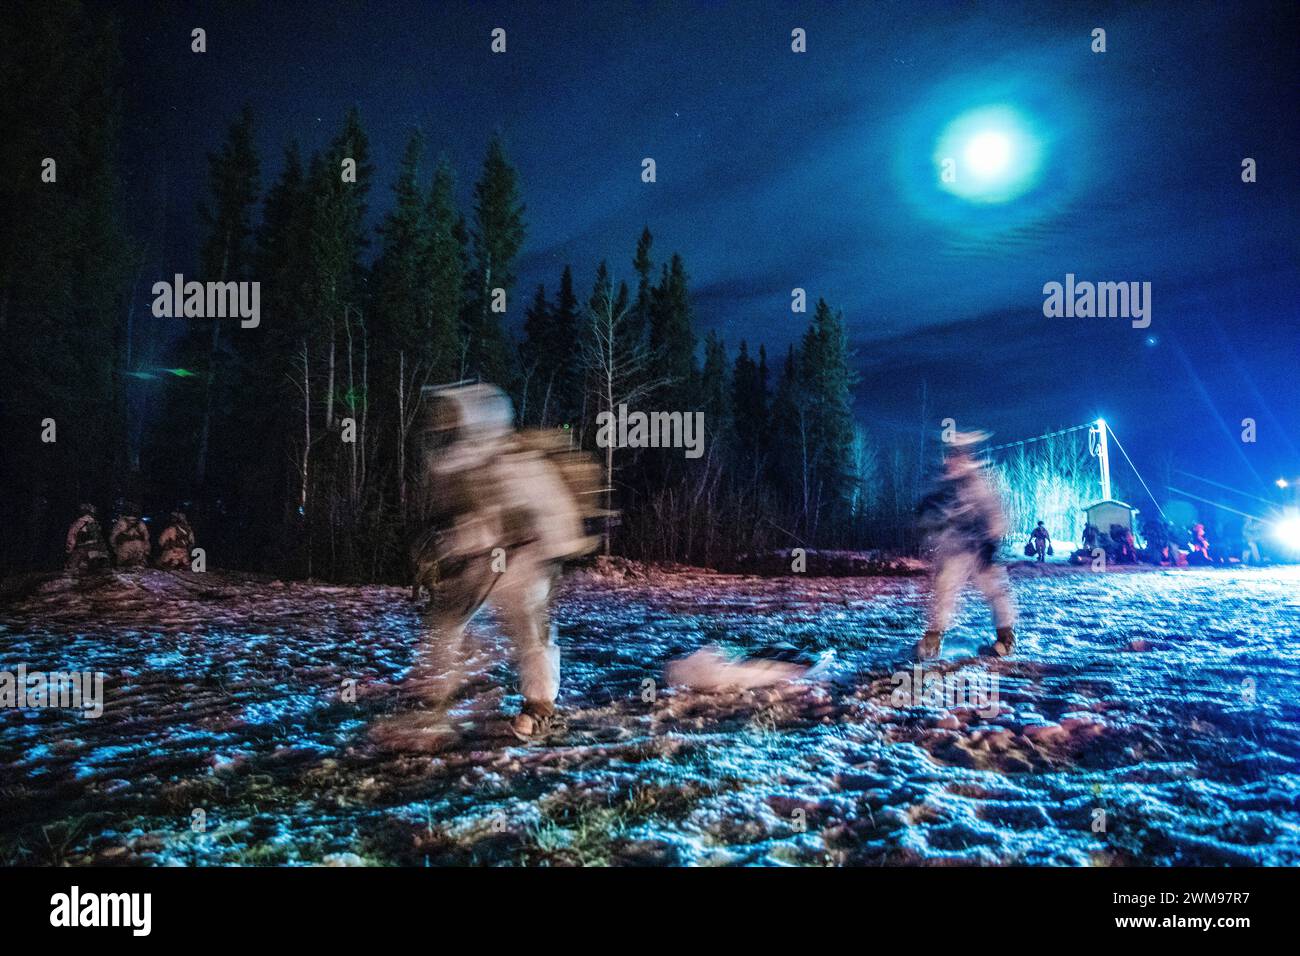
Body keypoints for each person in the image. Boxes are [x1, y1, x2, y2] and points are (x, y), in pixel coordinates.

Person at [406, 383, 603, 742]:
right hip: (483, 563)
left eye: (450, 422)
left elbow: (556, 514)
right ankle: (433, 702)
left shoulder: (520, 465)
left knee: (528, 629)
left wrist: (553, 549)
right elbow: (462, 520)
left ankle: (540, 707)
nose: (442, 430)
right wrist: (445, 548)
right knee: (446, 625)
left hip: (525, 564)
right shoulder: (455, 468)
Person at [915, 431, 1017, 661]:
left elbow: (995, 514)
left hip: (980, 549)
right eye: (952, 454)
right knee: (944, 592)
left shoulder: (977, 483)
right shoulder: (941, 486)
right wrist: (929, 527)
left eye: (959, 454)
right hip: (954, 550)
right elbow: (930, 517)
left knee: (996, 592)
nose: (954, 459)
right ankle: (932, 642)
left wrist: (991, 541)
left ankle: (1005, 639)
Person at [64, 503, 110, 575]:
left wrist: (69, 551)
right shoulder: (96, 523)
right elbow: (100, 539)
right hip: (98, 550)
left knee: (73, 571)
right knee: (97, 573)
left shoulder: (79, 523)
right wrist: (104, 553)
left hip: (83, 550)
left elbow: (71, 538)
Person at [109, 501, 150, 568]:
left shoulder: (138, 523)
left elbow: (113, 538)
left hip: (130, 550)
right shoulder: (138, 523)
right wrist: (146, 550)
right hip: (133, 550)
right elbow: (146, 537)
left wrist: (114, 547)